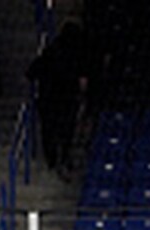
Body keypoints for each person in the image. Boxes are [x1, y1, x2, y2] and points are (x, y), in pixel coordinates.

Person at [27, 20, 89, 175]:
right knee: (64, 132)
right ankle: (62, 159)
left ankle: (53, 160)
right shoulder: (75, 54)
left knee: (50, 132)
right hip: (65, 101)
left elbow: (31, 72)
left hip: (49, 100)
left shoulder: (50, 52)